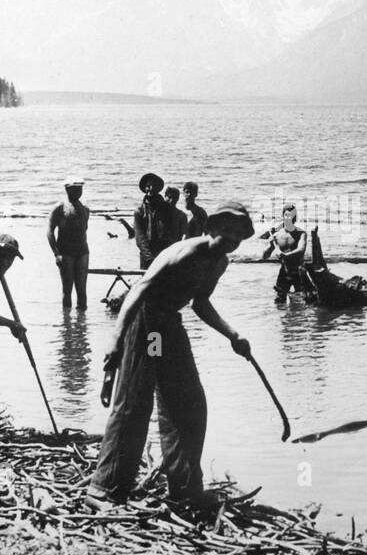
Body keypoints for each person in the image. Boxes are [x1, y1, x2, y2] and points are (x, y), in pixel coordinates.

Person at [89, 201, 255, 503]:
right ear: (212, 227)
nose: (232, 238)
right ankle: (105, 489)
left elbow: (200, 303)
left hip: (169, 324)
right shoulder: (187, 252)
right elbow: (139, 289)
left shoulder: (220, 262)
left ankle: (185, 488)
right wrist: (116, 338)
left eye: (239, 234)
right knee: (134, 402)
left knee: (189, 404)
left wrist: (233, 335)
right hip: (148, 324)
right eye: (227, 230)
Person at [47, 177, 90, 309]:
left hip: (82, 252)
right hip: (66, 253)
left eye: (80, 188)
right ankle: (66, 325)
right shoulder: (60, 207)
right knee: (67, 290)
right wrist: (56, 254)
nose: (78, 191)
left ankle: (81, 325)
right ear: (67, 189)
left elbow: (84, 229)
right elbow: (50, 231)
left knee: (82, 291)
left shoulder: (85, 209)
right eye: (74, 188)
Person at [134, 172, 179, 268]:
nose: (150, 189)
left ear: (158, 188)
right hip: (147, 259)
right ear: (144, 189)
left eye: (154, 186)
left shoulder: (168, 209)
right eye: (148, 186)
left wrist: (169, 255)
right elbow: (140, 238)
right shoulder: (139, 211)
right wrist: (150, 259)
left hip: (165, 256)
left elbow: (174, 233)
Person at [267, 203, 307, 303]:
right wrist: (271, 244)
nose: (289, 218)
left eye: (291, 216)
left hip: (298, 271)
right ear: (283, 217)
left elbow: (301, 250)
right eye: (286, 216)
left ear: (295, 217)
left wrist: (286, 255)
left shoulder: (301, 234)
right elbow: (264, 256)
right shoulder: (277, 235)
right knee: (279, 302)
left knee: (301, 302)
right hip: (284, 272)